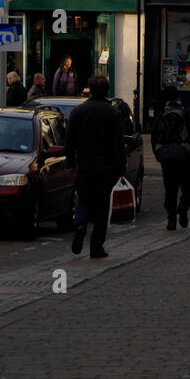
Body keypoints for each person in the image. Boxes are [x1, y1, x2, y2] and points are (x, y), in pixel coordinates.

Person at [64, 75, 125, 259]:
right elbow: (118, 144)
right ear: (107, 90)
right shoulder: (113, 113)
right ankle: (96, 246)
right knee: (102, 207)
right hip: (106, 167)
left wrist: (70, 163)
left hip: (84, 165)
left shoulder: (78, 112)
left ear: (90, 90)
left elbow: (69, 141)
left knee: (83, 200)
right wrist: (120, 170)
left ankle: (80, 224)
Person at [151, 84, 190, 230]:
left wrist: (158, 154)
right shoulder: (187, 112)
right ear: (179, 96)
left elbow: (154, 135)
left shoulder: (162, 114)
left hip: (167, 157)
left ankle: (171, 219)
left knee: (170, 189)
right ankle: (184, 205)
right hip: (184, 156)